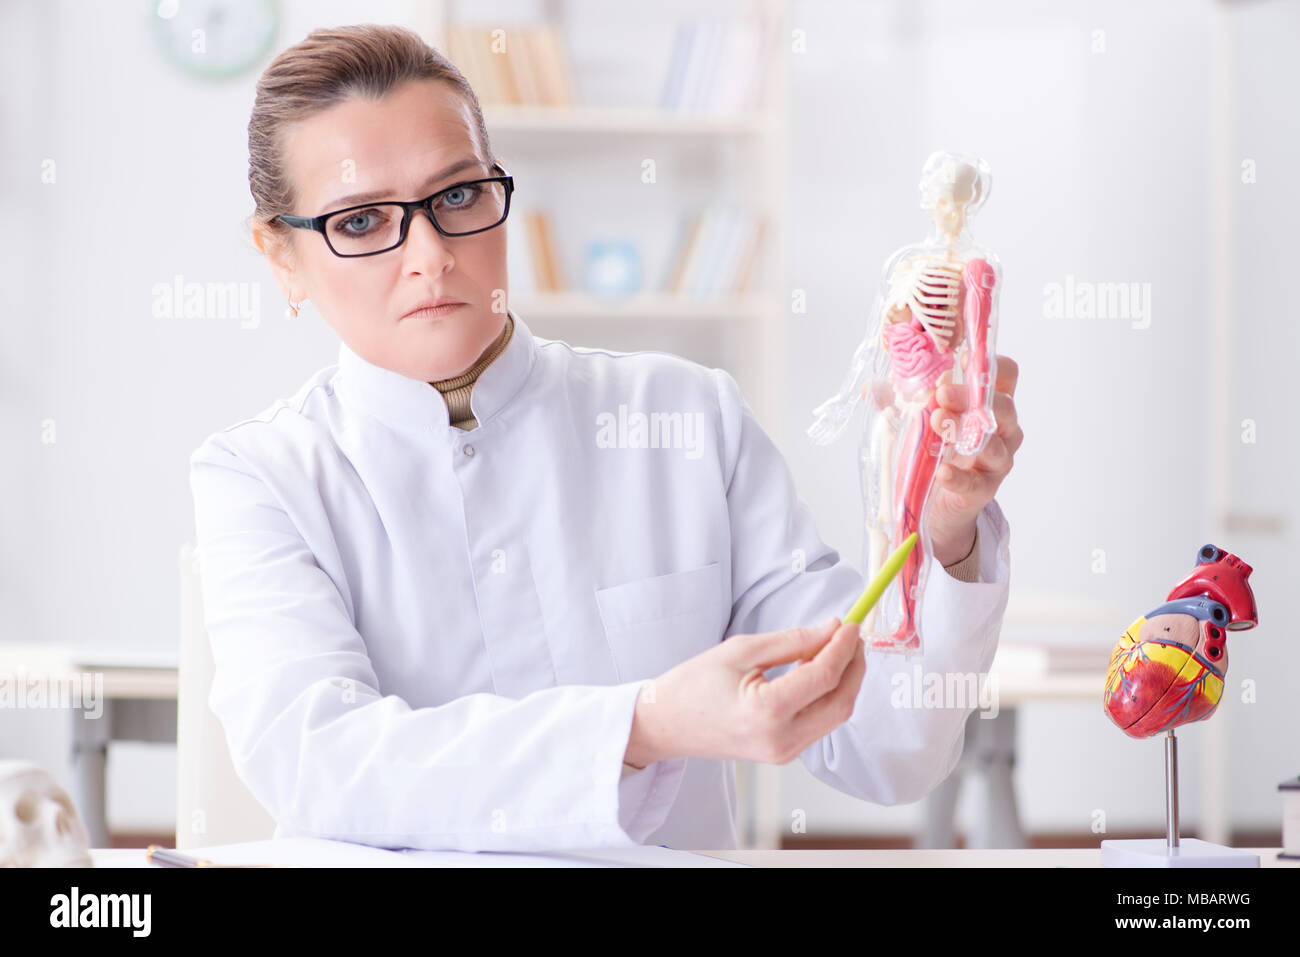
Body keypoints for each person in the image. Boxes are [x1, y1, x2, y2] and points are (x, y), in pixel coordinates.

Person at [188, 23, 1023, 852]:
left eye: (457, 196)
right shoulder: (261, 476)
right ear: (281, 257)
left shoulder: (687, 418)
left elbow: (888, 745)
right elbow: (324, 762)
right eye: (363, 221)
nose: (432, 254)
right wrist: (644, 725)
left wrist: (940, 526)